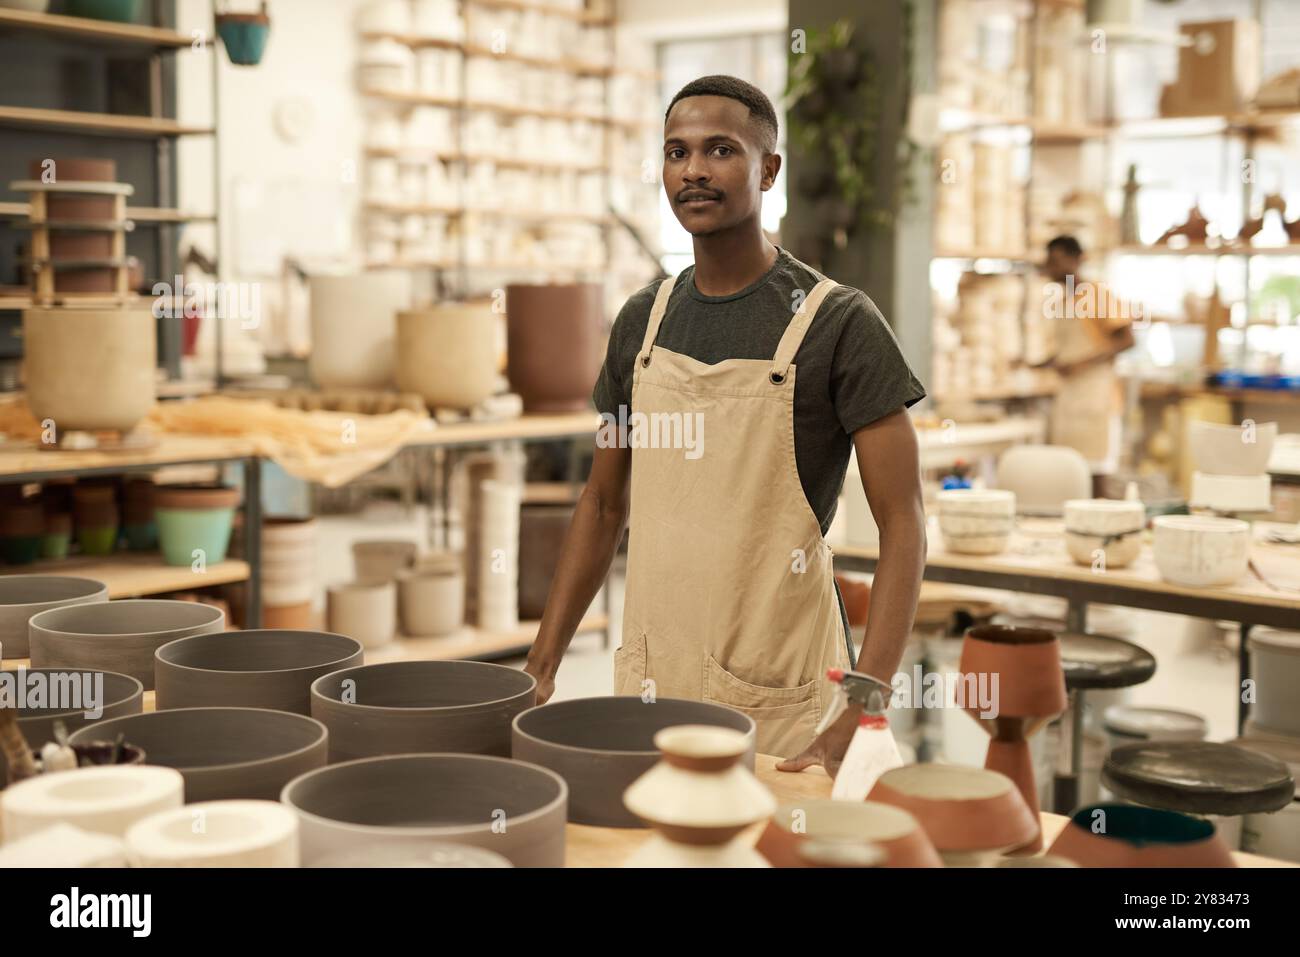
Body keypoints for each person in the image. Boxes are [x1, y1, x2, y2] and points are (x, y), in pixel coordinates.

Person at [523, 75, 927, 772]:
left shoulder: (837, 323)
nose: (695, 171)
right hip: (654, 676)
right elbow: (602, 501)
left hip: (778, 689)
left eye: (721, 150)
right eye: (676, 153)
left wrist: (866, 701)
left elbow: (905, 522)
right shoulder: (642, 323)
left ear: (770, 168)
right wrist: (541, 661)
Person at [1041, 235, 1136, 477]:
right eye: (1049, 261)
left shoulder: (1095, 294)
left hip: (1096, 394)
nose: (1052, 267)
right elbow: (1069, 350)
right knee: (1069, 473)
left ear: (1076, 261)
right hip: (1070, 396)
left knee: (1095, 473)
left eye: (1058, 260)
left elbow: (1127, 340)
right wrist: (1038, 364)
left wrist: (1080, 364)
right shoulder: (1063, 302)